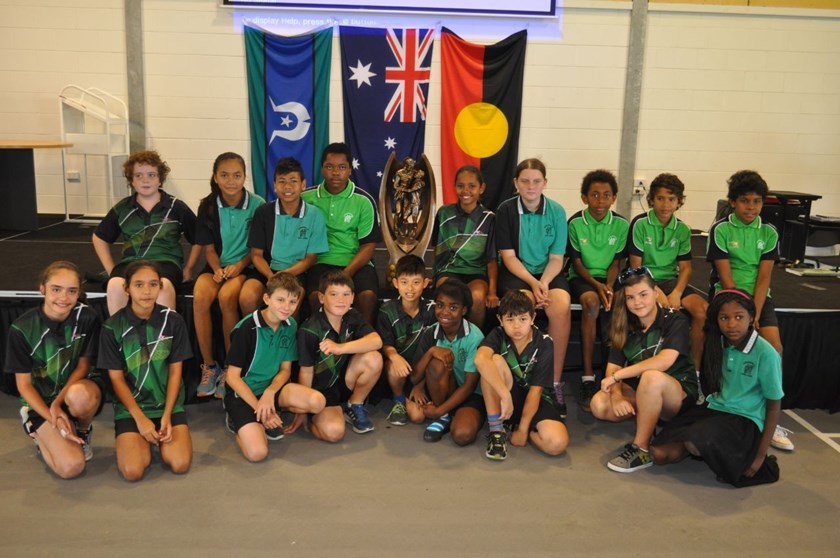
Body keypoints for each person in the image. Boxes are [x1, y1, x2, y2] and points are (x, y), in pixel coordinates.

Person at [650, 289, 782, 487]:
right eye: (724, 318)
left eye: (739, 317)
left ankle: (701, 446)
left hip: (745, 420)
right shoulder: (719, 342)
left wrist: (760, 456)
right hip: (716, 408)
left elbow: (773, 406)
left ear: (751, 318)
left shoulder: (766, 354)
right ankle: (690, 448)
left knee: (698, 438)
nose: (731, 324)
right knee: (658, 453)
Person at [706, 170, 792, 451]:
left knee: (774, 348)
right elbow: (725, 276)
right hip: (727, 296)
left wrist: (753, 314)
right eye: (745, 201)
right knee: (725, 345)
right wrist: (739, 313)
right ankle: (718, 398)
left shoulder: (768, 232)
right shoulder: (721, 229)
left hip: (758, 300)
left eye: (757, 202)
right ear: (733, 202)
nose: (751, 208)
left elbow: (764, 277)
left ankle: (769, 416)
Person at [589, 267, 698, 473]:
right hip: (645, 389)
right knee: (599, 404)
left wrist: (618, 377)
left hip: (678, 395)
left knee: (652, 377)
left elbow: (664, 362)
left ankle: (641, 448)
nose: (637, 302)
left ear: (656, 292)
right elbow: (613, 366)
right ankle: (649, 413)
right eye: (630, 297)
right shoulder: (625, 326)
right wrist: (618, 395)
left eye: (643, 294)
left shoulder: (675, 320)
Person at [6, 261, 104, 478]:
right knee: (71, 468)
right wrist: (53, 417)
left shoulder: (87, 317)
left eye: (72, 291)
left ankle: (83, 431)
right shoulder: (22, 329)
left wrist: (59, 403)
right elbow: (23, 385)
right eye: (56, 289)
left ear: (79, 293)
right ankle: (37, 431)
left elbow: (84, 366)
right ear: (42, 288)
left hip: (72, 392)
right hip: (42, 402)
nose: (64, 297)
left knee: (80, 396)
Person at [98, 261, 193, 481]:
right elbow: (116, 379)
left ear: (160, 287)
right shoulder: (112, 327)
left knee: (180, 464)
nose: (147, 291)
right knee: (133, 471)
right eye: (139, 285)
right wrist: (140, 419)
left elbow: (175, 372)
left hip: (167, 404)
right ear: (127, 289)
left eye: (153, 284)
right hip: (133, 409)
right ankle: (139, 439)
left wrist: (167, 415)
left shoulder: (174, 321)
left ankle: (159, 434)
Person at [223, 272, 326, 462]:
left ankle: (267, 415)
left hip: (271, 390)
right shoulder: (246, 329)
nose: (286, 307)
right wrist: (261, 409)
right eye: (280, 300)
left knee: (317, 401)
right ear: (267, 298)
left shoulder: (290, 324)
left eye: (292, 302)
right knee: (257, 453)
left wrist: (270, 393)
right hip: (244, 394)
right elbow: (232, 377)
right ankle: (238, 419)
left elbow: (285, 370)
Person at [495, 159, 571, 415]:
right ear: (516, 183)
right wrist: (533, 283)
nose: (531, 186)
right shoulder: (505, 210)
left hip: (549, 272)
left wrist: (545, 283)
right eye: (525, 180)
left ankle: (554, 383)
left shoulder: (557, 212)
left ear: (545, 183)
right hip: (519, 272)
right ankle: (523, 379)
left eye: (536, 180)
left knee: (559, 306)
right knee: (524, 306)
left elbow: (557, 258)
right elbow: (508, 257)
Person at [92, 150, 201, 315]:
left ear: (160, 179)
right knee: (114, 285)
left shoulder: (176, 207)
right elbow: (99, 237)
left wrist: (189, 268)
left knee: (162, 286)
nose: (145, 180)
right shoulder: (122, 208)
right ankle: (122, 336)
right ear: (132, 181)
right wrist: (111, 270)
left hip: (166, 263)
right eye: (138, 175)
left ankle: (163, 336)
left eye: (151, 175)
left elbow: (199, 237)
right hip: (131, 263)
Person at [193, 152, 265, 398]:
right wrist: (216, 269)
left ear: (245, 177)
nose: (231, 181)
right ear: (215, 177)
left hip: (246, 266)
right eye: (224, 175)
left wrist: (239, 266)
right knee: (200, 295)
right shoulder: (208, 205)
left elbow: (257, 249)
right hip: (218, 267)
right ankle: (209, 365)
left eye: (237, 175)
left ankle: (230, 368)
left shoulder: (257, 205)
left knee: (227, 297)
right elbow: (209, 250)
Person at [629, 173, 707, 380]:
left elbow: (686, 268)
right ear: (652, 199)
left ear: (679, 202)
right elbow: (636, 267)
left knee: (702, 311)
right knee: (653, 309)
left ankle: (695, 374)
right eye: (660, 198)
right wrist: (656, 292)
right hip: (643, 279)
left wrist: (676, 293)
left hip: (670, 281)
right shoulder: (640, 224)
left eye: (671, 199)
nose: (665, 204)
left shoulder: (681, 229)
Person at [475, 290, 569, 461]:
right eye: (510, 320)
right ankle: (496, 432)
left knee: (557, 443)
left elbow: (536, 392)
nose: (516, 326)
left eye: (523, 319)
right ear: (500, 320)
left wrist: (523, 431)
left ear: (533, 318)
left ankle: (522, 428)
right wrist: (505, 395)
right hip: (508, 397)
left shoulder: (544, 342)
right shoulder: (498, 334)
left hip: (535, 400)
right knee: (492, 361)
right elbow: (480, 360)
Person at [292, 271, 383, 441]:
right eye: (333, 294)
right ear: (321, 297)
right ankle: (319, 417)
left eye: (346, 295)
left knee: (374, 357)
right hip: (321, 391)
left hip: (343, 381)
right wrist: (304, 409)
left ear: (352, 297)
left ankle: (354, 404)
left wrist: (340, 348)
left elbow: (376, 341)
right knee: (334, 433)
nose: (340, 300)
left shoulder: (352, 315)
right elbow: (306, 371)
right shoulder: (309, 330)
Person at [567, 169, 629, 412]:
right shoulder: (575, 223)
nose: (600, 201)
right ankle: (588, 378)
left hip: (609, 279)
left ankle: (613, 376)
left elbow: (616, 263)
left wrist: (610, 287)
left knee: (622, 303)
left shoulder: (622, 224)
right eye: (594, 195)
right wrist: (597, 285)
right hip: (583, 278)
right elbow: (577, 264)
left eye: (606, 195)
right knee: (592, 303)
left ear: (613, 197)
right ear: (584, 198)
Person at [301, 143, 382, 325]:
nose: (335, 173)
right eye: (330, 167)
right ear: (322, 169)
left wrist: (346, 274)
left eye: (341, 167)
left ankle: (362, 342)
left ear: (350, 170)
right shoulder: (306, 198)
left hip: (355, 263)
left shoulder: (363, 200)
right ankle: (323, 341)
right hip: (319, 261)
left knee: (368, 297)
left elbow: (368, 247)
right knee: (316, 297)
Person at [408, 279, 485, 445]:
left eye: (453, 307)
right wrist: (431, 352)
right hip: (443, 390)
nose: (444, 312)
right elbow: (414, 378)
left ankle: (444, 414)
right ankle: (445, 417)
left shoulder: (475, 337)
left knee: (462, 435)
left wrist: (437, 411)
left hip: (469, 395)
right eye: (440, 305)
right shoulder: (431, 333)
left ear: (464, 310)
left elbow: (470, 386)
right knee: (436, 363)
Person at [247, 156, 330, 301]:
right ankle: (254, 324)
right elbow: (256, 255)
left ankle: (290, 325)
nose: (287, 187)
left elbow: (311, 258)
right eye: (282, 182)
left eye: (293, 181)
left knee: (290, 298)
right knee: (247, 296)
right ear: (274, 185)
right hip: (267, 270)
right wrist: (270, 276)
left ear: (303, 184)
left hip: (297, 271)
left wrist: (285, 275)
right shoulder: (263, 212)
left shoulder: (315, 215)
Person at [431, 165, 499, 329]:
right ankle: (447, 342)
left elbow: (491, 259)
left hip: (476, 272)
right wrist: (436, 275)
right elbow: (437, 248)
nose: (465, 190)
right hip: (449, 271)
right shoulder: (444, 213)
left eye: (472, 186)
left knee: (476, 297)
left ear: (481, 188)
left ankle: (472, 345)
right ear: (454, 187)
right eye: (460, 186)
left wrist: (492, 291)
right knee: (448, 298)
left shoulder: (489, 218)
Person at [377, 254, 435, 426]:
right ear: (395, 283)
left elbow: (434, 348)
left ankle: (416, 394)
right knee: (395, 366)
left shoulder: (431, 310)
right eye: (404, 282)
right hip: (398, 369)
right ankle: (398, 399)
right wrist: (394, 357)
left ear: (425, 283)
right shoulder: (387, 311)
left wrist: (420, 385)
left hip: (421, 370)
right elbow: (385, 344)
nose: (410, 288)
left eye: (416, 282)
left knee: (418, 417)